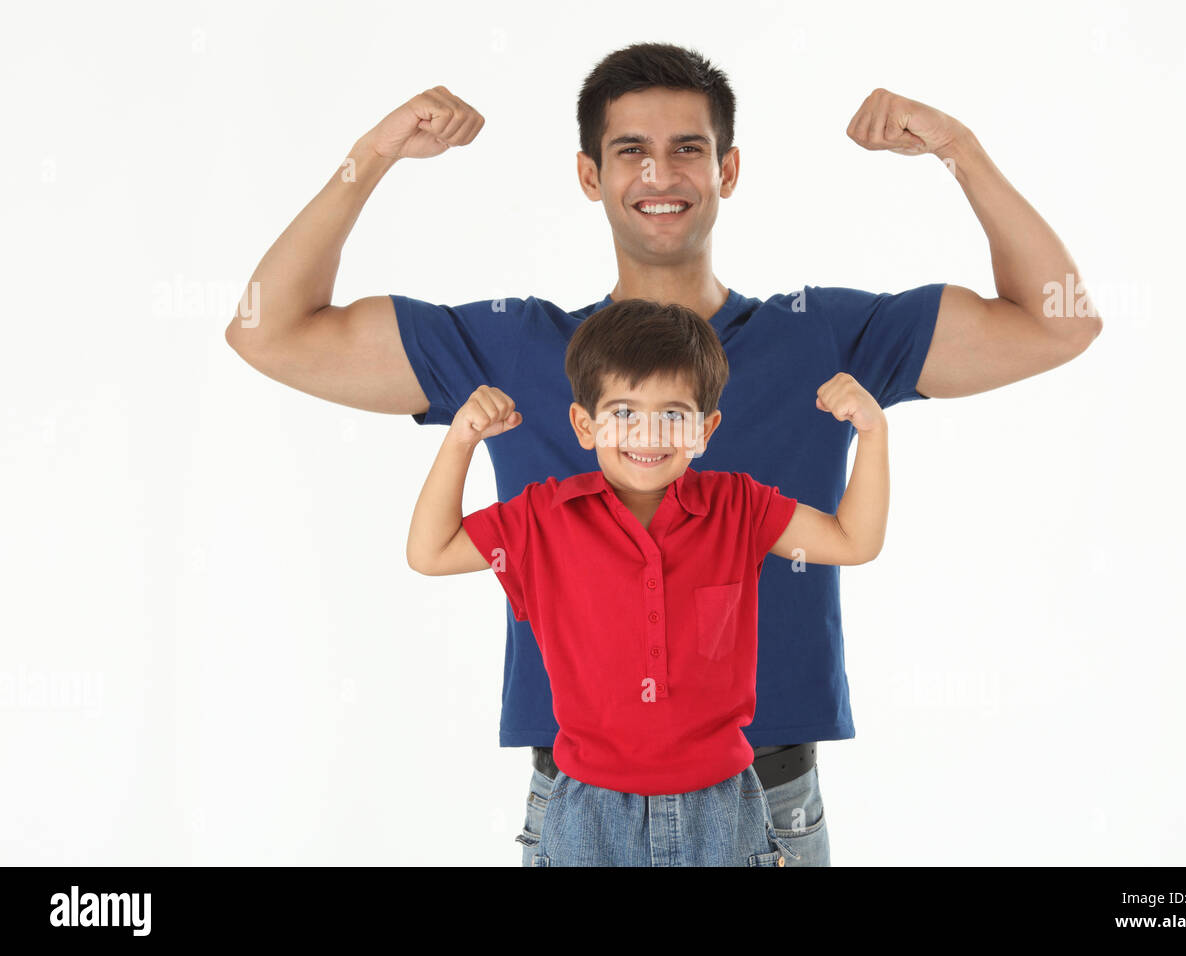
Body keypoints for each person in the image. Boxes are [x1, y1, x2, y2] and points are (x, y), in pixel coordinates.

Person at [225, 43, 1101, 866]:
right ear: (589, 175)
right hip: (579, 798)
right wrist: (369, 155)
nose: (659, 174)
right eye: (630, 150)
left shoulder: (820, 335)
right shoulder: (518, 348)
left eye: (688, 149)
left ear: (727, 170)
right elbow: (270, 335)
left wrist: (963, 150)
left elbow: (1058, 322)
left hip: (766, 795)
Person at [407, 298, 889, 866]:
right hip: (586, 810)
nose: (649, 432)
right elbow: (429, 552)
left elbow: (854, 541)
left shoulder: (740, 507)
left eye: (674, 414)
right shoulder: (543, 517)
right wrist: (460, 440)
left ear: (706, 429)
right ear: (584, 426)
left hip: (724, 806)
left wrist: (873, 430)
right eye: (624, 412)